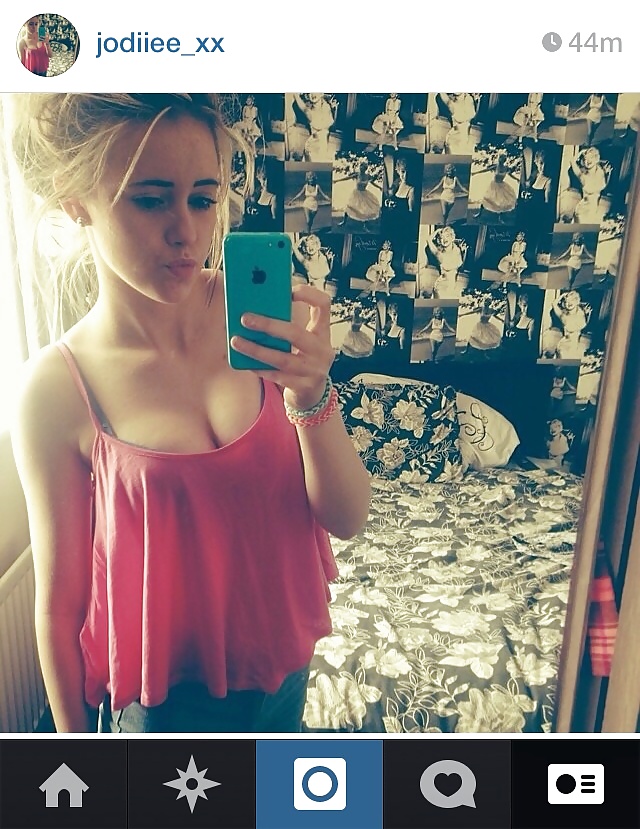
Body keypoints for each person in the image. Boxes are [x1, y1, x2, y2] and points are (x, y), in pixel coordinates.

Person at [10, 93, 371, 734]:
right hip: (163, 709)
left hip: (285, 675)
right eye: (151, 200)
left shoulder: (262, 323)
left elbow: (347, 519)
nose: (187, 232)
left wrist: (312, 396)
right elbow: (60, 609)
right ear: (76, 201)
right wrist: (73, 761)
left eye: (203, 199)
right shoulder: (56, 390)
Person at [419, 225, 468, 299]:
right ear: (439, 240)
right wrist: (437, 231)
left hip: (450, 286)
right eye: (442, 238)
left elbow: (459, 266)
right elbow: (429, 240)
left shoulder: (457, 251)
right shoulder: (439, 253)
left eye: (447, 236)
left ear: (452, 237)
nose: (444, 239)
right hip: (440, 286)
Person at [570, 146, 612, 225]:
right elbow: (572, 161)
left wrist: (607, 174)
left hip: (592, 211)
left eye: (591, 157)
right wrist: (581, 152)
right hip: (582, 211)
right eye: (585, 159)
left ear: (596, 159)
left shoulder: (601, 173)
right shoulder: (582, 175)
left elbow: (603, 186)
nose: (588, 161)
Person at [292, 93, 339, 162]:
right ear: (307, 96)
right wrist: (296, 95)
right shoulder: (310, 112)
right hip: (314, 149)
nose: (313, 94)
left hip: (323, 147)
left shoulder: (326, 107)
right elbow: (303, 108)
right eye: (310, 92)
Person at [338, 161, 382, 232]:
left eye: (363, 167)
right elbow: (347, 178)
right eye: (361, 167)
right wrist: (337, 180)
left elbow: (372, 183)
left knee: (365, 210)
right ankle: (343, 222)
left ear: (365, 169)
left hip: (365, 194)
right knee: (349, 206)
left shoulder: (368, 176)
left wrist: (379, 187)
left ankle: (365, 226)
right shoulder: (357, 174)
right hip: (356, 193)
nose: (361, 168)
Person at [477, 151, 518, 223]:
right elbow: (485, 170)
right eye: (501, 159)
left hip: (502, 185)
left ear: (504, 160)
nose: (501, 160)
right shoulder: (496, 166)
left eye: (503, 159)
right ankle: (479, 214)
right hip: (494, 185)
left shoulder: (506, 168)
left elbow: (510, 175)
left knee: (502, 202)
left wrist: (517, 179)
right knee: (486, 198)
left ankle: (500, 218)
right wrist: (475, 173)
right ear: (499, 159)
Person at [552, 290, 590, 359]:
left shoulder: (580, 315)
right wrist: (562, 295)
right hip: (563, 343)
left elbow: (571, 327)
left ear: (577, 301)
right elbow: (554, 304)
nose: (568, 303)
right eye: (566, 301)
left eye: (572, 300)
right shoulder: (564, 314)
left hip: (572, 345)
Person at [243, 167, 278, 231]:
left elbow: (274, 222)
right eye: (264, 179)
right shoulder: (257, 191)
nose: (266, 182)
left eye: (269, 179)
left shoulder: (273, 198)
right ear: (259, 178)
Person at [504, 290, 534, 355]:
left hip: (521, 351)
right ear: (520, 305)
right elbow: (511, 326)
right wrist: (509, 332)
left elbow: (530, 342)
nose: (526, 308)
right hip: (511, 348)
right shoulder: (518, 314)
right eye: (524, 305)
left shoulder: (531, 321)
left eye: (528, 305)